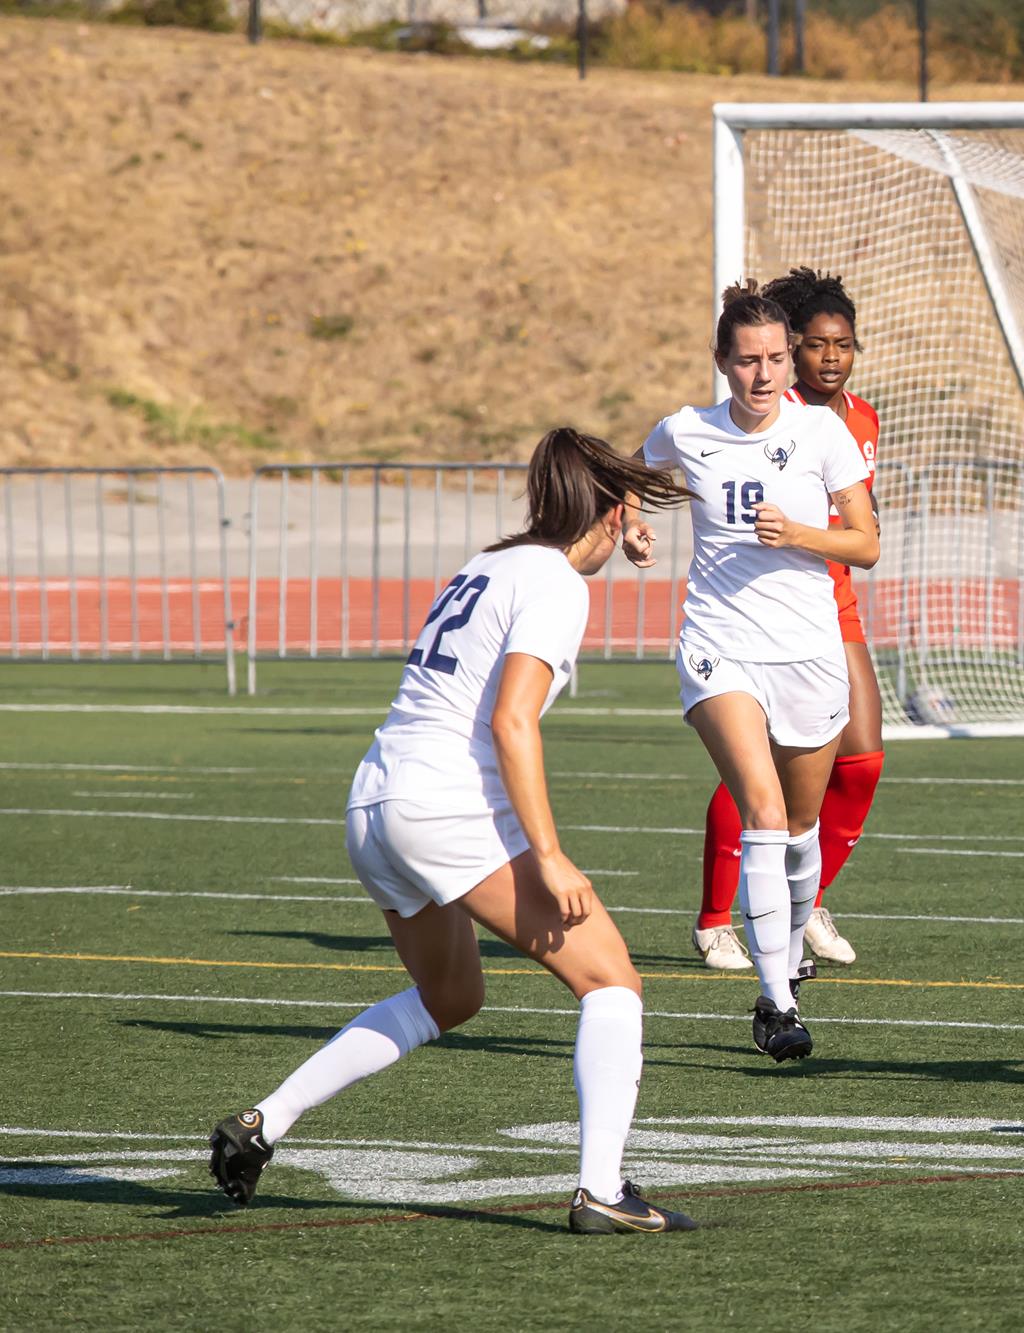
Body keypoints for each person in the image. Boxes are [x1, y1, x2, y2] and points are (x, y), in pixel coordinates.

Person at [208, 428, 695, 1236]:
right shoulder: (556, 585)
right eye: (632, 511)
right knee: (612, 981)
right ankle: (601, 1189)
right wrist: (550, 854)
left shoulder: (491, 562)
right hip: (443, 802)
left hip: (374, 799)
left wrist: (615, 527)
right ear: (609, 512)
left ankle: (266, 1121)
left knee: (452, 995)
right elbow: (511, 722)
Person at [622, 280, 878, 1063]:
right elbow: (628, 474)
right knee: (763, 812)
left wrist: (802, 532)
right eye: (747, 361)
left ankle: (789, 953)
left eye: (774, 358)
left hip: (806, 652)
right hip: (719, 646)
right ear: (722, 362)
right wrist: (631, 522)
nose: (763, 375)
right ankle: (775, 1002)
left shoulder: (822, 433)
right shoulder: (687, 431)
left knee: (800, 833)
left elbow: (865, 543)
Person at [690, 267, 881, 973]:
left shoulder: (859, 419)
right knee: (756, 770)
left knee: (861, 758)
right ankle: (716, 919)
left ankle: (810, 899)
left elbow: (860, 527)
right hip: (759, 612)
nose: (831, 356)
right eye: (816, 343)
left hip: (833, 598)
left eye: (845, 344)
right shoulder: (770, 408)